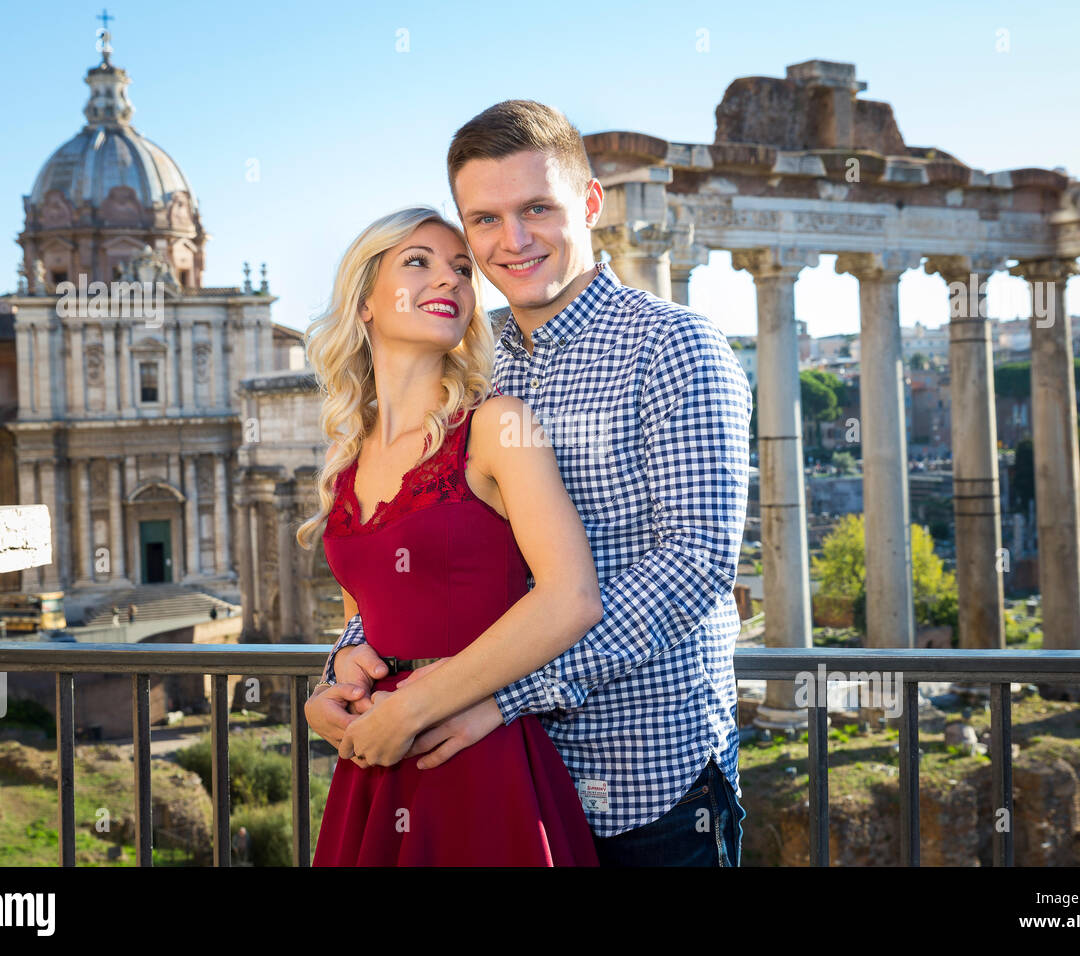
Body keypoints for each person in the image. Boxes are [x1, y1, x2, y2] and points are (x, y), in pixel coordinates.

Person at [314, 101, 752, 866]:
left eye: (536, 209)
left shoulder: (675, 346)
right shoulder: (475, 371)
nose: (511, 241)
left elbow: (695, 563)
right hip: (497, 783)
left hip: (647, 788)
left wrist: (499, 696)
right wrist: (349, 666)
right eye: (484, 220)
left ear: (589, 204)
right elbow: (432, 558)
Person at [296, 205, 602, 866]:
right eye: (419, 262)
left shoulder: (497, 424)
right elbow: (366, 623)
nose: (451, 281)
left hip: (475, 756)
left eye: (462, 269)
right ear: (365, 302)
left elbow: (572, 598)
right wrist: (331, 688)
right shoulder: (347, 455)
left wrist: (415, 707)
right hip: (377, 759)